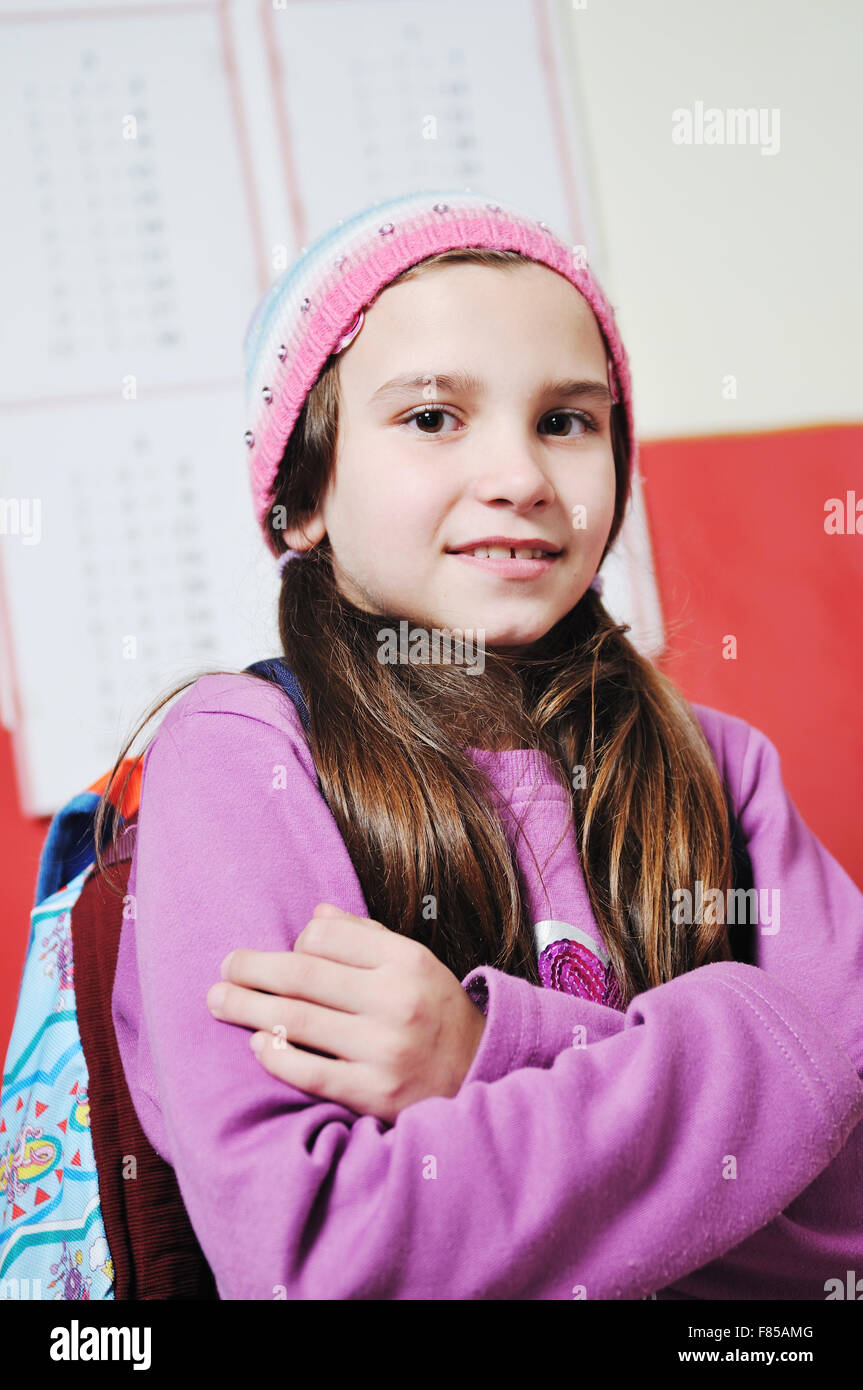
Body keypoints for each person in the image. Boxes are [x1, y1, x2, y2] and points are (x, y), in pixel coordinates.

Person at [104, 190, 863, 1300]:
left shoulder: (721, 766)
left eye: (565, 419)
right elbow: (323, 1257)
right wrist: (751, 1041)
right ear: (302, 492)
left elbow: (844, 1233)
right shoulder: (241, 761)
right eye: (430, 418)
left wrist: (480, 1057)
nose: (518, 475)